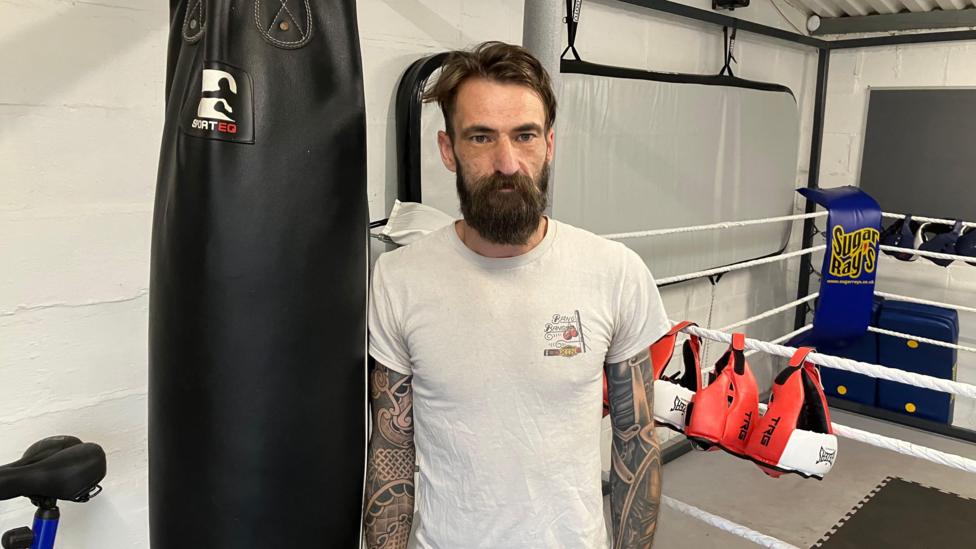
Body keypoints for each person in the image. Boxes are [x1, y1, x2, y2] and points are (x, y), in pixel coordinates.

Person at [363, 41, 670, 549]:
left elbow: (635, 445)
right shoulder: (400, 279)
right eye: (481, 137)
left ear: (549, 144)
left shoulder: (614, 272)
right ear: (448, 149)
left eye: (524, 136)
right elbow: (390, 455)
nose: (507, 162)